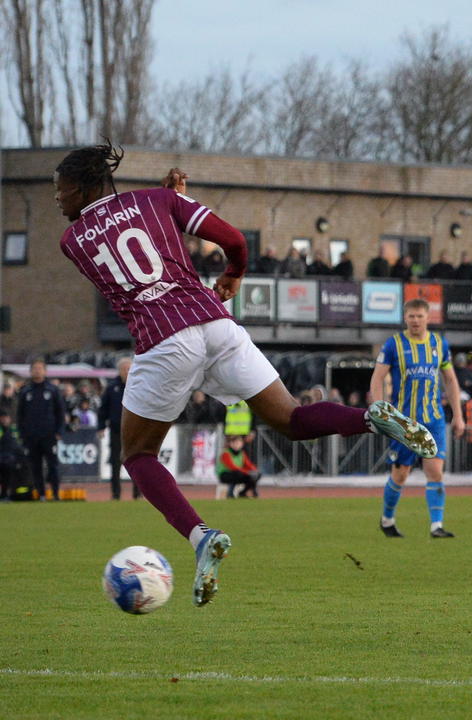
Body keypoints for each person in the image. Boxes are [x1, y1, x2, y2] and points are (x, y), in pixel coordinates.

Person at [55, 142, 437, 607]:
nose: (58, 201)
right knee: (292, 420)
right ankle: (372, 417)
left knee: (137, 455)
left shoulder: (72, 240)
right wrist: (232, 271)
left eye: (60, 191)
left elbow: (124, 243)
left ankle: (201, 538)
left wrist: (159, 208)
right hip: (217, 324)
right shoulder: (159, 201)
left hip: (163, 340)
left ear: (78, 187)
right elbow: (234, 240)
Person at [370, 298, 464, 539]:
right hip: (404, 422)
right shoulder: (394, 345)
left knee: (435, 471)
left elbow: (450, 380)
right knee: (400, 474)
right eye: (411, 316)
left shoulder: (439, 344)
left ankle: (436, 526)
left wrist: (458, 416)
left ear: (428, 317)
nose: (415, 320)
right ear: (405, 318)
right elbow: (377, 378)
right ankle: (387, 519)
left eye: (419, 316)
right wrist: (381, 412)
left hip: (433, 418)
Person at [17, 359, 66, 501]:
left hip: (49, 435)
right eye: (35, 368)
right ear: (31, 371)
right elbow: (20, 415)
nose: (37, 371)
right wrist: (22, 434)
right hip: (31, 437)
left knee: (53, 466)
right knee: (35, 467)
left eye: (40, 368)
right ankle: (41, 494)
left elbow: (60, 413)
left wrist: (59, 432)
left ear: (45, 371)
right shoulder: (25, 391)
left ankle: (56, 494)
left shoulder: (52, 390)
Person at [98, 357, 135, 500]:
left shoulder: (139, 385)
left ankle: (137, 494)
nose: (127, 371)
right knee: (115, 463)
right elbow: (103, 410)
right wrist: (101, 427)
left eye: (129, 368)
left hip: (135, 431)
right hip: (116, 430)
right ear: (119, 371)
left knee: (138, 463)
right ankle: (115, 494)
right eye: (124, 369)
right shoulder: (111, 388)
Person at [216, 434, 260, 499]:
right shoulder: (226, 453)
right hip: (225, 475)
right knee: (237, 474)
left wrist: (255, 470)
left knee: (255, 476)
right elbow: (232, 467)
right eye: (236, 443)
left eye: (239, 443)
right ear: (231, 444)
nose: (237, 445)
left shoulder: (241, 453)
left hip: (239, 472)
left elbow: (248, 464)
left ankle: (243, 493)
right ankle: (230, 493)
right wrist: (246, 472)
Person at [0, 409, 22, 501]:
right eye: (3, 418)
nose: (5, 420)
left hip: (12, 459)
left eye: (6, 418)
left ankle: (8, 495)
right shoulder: (1, 430)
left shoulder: (14, 429)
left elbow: (18, 445)